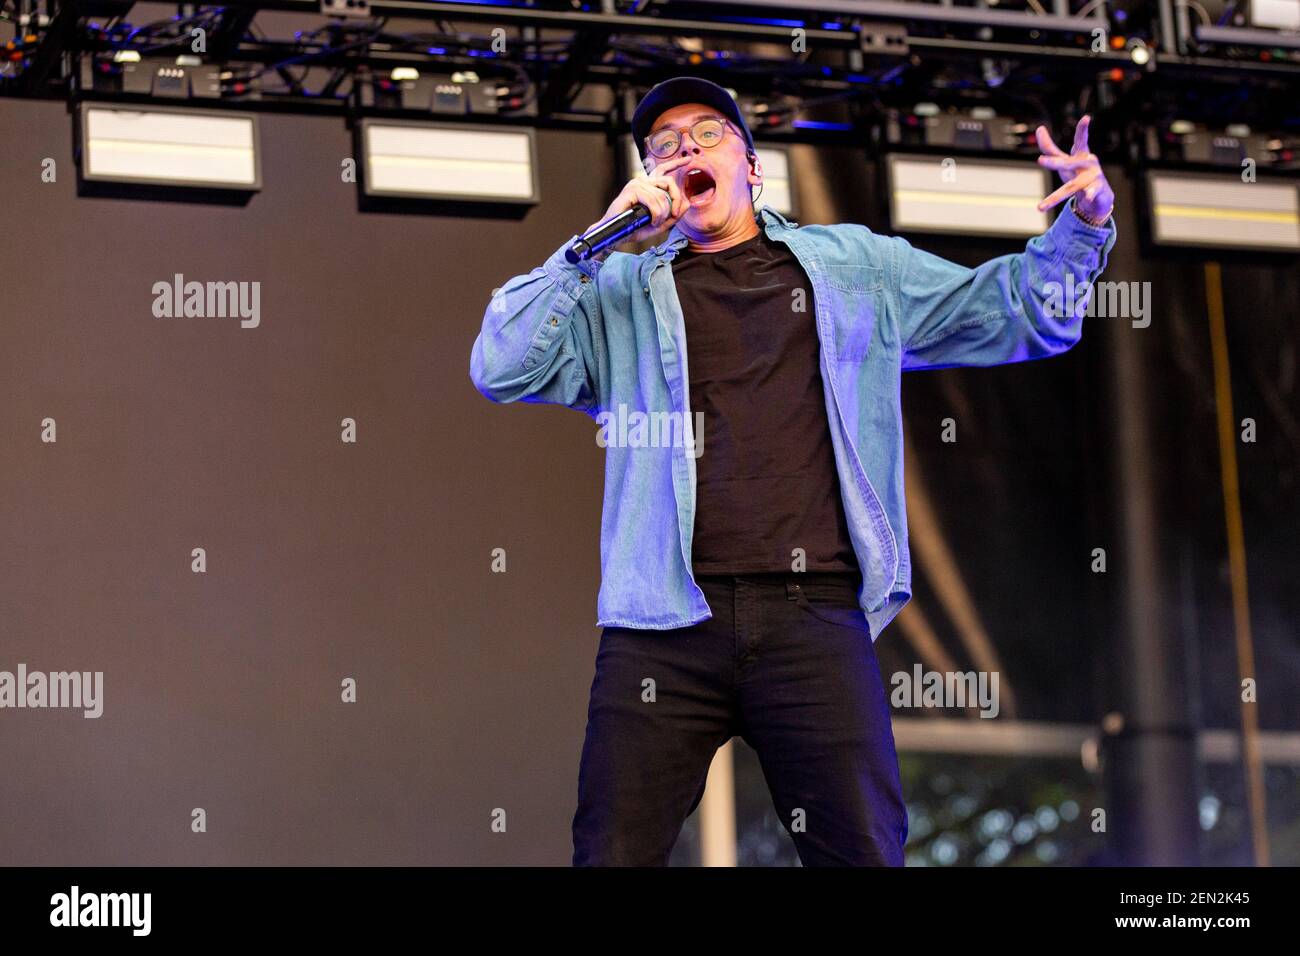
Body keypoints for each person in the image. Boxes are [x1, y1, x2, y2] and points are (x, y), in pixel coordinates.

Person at [469, 76, 1117, 866]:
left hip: (812, 619)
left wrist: (1085, 225)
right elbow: (499, 366)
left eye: (707, 135)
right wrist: (601, 238)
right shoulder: (617, 293)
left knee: (862, 852)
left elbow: (1024, 313)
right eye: (663, 146)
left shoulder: (855, 267)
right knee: (609, 852)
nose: (683, 154)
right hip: (662, 624)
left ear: (752, 167)